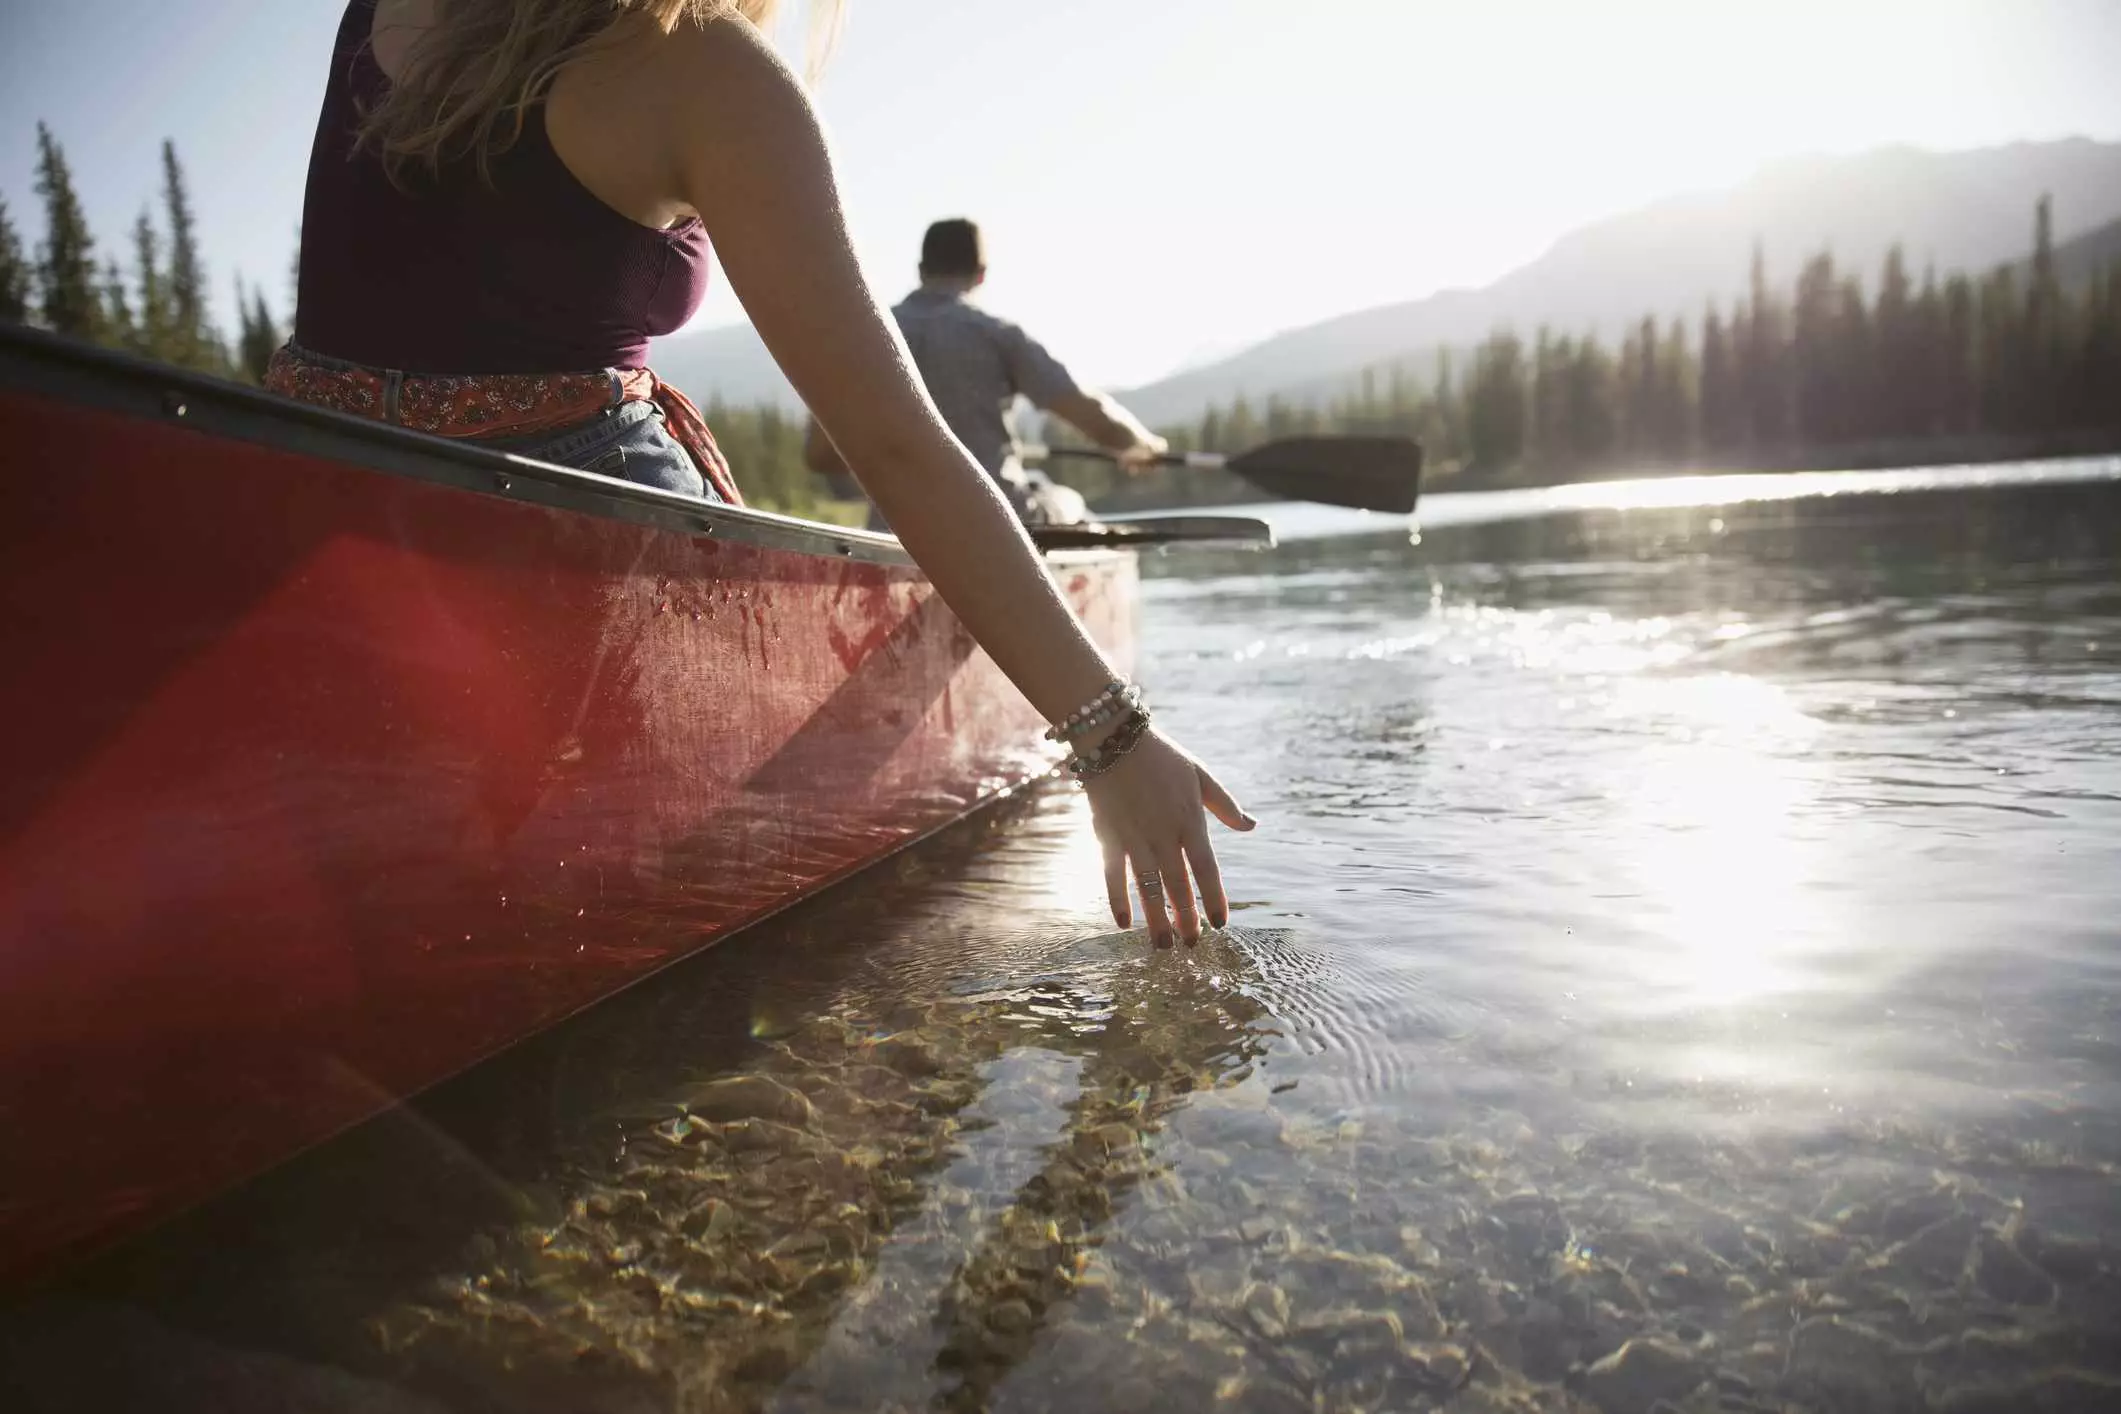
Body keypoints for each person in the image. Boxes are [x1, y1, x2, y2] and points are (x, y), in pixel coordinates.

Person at [270, 0, 1253, 947]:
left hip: (311, 487)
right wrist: (1111, 734)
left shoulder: (387, 8)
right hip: (585, 526)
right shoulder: (700, 61)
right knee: (1051, 505)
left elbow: (839, 457)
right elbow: (898, 448)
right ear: (981, 273)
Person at [802, 218, 1167, 529]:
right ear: (981, 274)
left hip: (897, 529)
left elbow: (819, 455)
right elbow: (1093, 417)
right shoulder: (998, 335)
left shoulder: (863, 335)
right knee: (1068, 501)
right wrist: (1143, 445)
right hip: (1000, 523)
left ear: (920, 270)